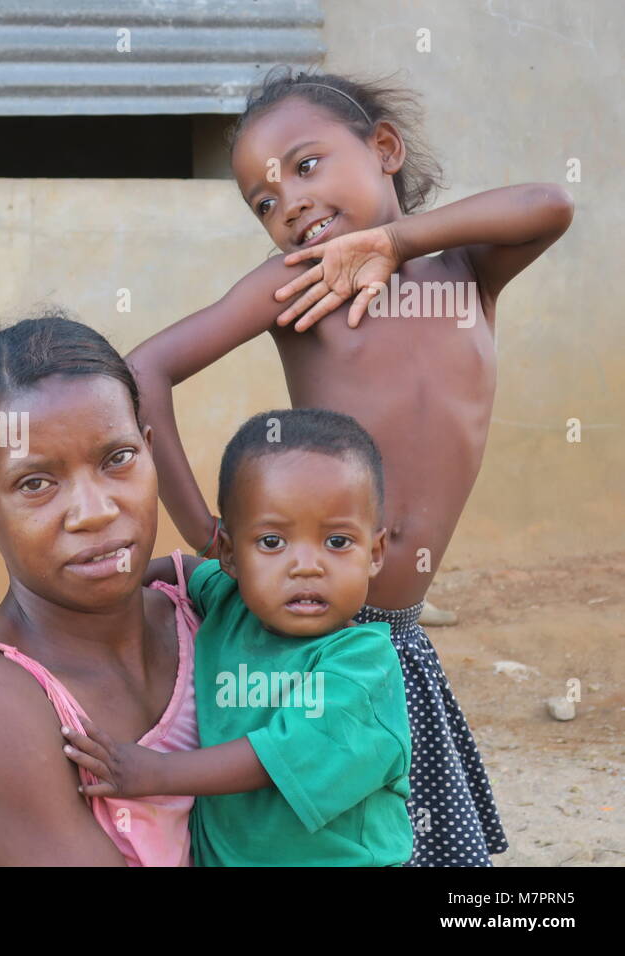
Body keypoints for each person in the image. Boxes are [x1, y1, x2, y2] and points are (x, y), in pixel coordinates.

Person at [127, 68, 573, 865]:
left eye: (305, 167)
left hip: (394, 636)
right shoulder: (298, 288)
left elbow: (552, 203)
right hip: (314, 634)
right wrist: (206, 529)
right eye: (262, 201)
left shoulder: (466, 271)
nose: (289, 203)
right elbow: (143, 372)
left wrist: (396, 241)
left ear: (386, 149)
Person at [63, 408, 413, 866]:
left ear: (375, 551)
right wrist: (126, 580)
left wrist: (156, 772)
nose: (306, 566)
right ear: (229, 553)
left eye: (338, 542)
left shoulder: (364, 663)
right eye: (272, 542)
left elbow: (276, 757)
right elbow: (186, 569)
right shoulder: (231, 601)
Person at [0, 314, 198, 866]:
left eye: (117, 459)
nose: (94, 512)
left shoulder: (198, 614)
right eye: (36, 484)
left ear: (149, 449)